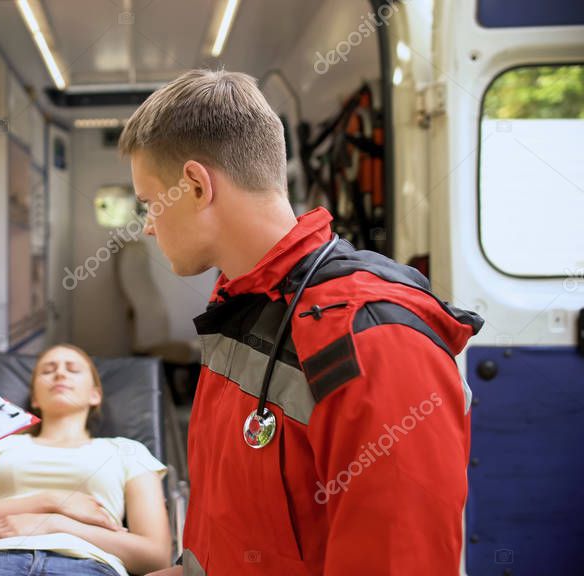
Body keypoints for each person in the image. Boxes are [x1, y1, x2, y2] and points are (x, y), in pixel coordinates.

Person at [119, 70, 484, 575]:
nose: (151, 225)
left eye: (149, 203)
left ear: (198, 186)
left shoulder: (373, 342)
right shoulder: (240, 304)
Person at [0, 344, 172, 576]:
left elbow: (155, 556)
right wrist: (50, 501)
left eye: (73, 369)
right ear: (34, 398)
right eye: (47, 370)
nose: (59, 373)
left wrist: (55, 524)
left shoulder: (128, 450)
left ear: (95, 395)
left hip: (87, 564)